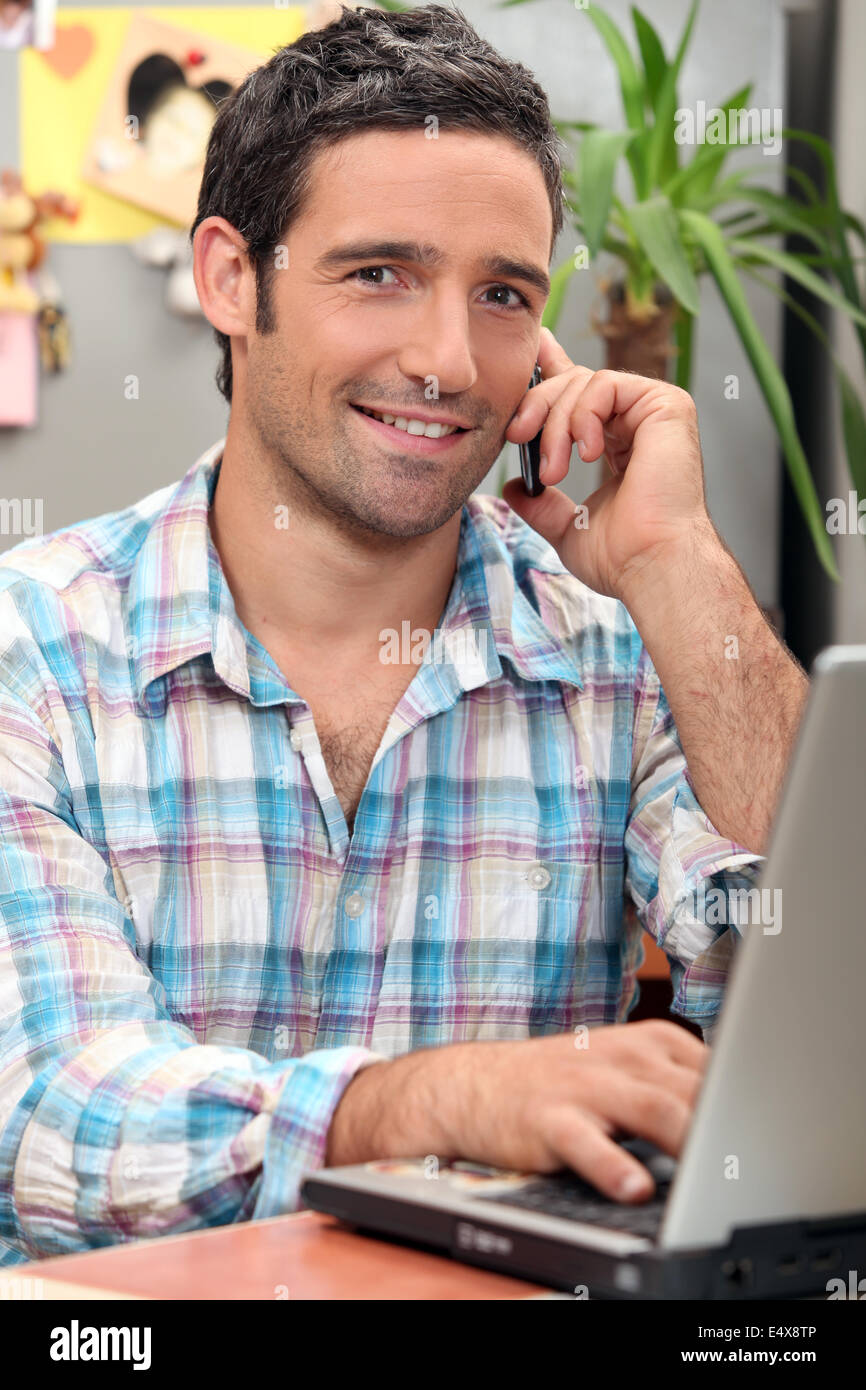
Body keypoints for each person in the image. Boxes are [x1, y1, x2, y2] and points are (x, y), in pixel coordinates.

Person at [0, 5, 807, 1265]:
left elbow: (818, 1000)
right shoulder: (31, 646)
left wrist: (676, 567)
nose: (446, 359)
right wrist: (422, 1103)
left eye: (501, 295)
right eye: (379, 272)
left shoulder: (614, 654)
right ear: (229, 277)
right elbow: (52, 1116)